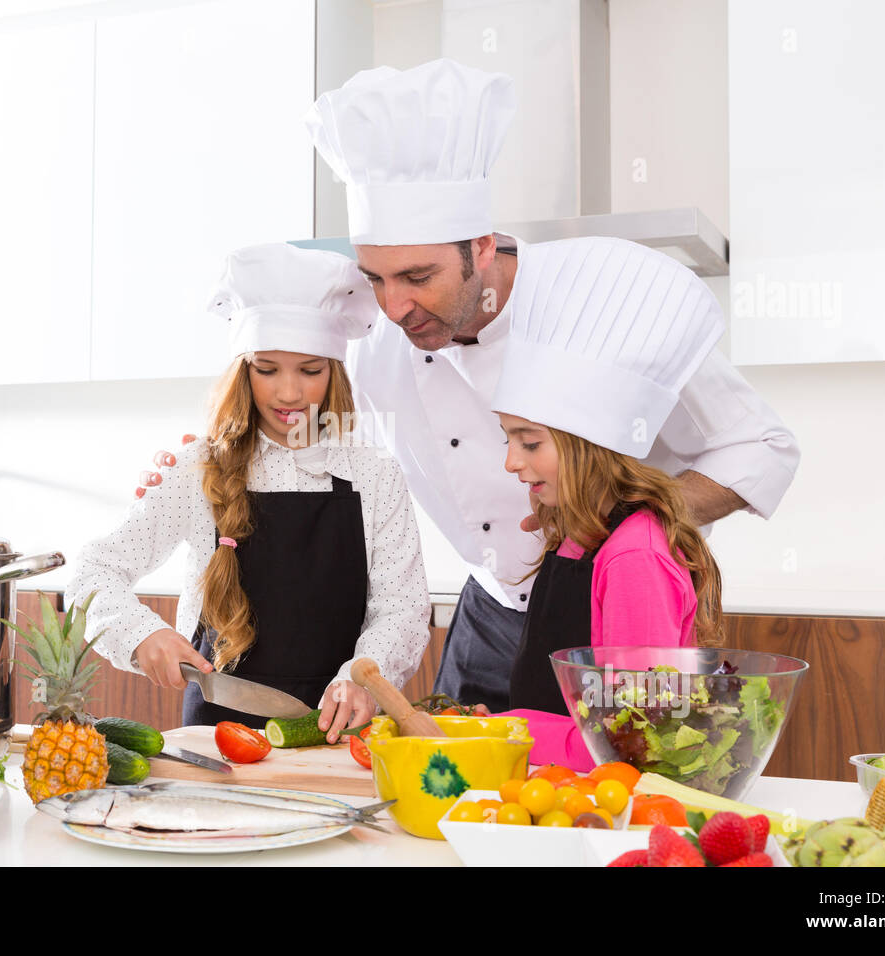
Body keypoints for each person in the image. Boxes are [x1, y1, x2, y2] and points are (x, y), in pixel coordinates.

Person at [141, 59, 799, 714]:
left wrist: (631, 519)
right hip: (485, 612)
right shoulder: (372, 341)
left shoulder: (603, 308)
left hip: (611, 607)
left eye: (419, 277)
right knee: (455, 799)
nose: (394, 308)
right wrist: (207, 464)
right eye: (376, 278)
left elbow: (763, 448)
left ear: (482, 248)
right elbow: (310, 441)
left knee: (604, 791)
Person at [66, 243, 431, 741]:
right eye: (267, 369)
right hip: (216, 737)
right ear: (243, 371)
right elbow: (93, 571)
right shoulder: (197, 467)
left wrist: (362, 678)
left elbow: (403, 609)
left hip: (341, 732)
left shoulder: (373, 474)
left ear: (335, 372)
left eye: (310, 370)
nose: (288, 393)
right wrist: (140, 633)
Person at [491, 237, 726, 752]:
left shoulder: (633, 557)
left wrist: (506, 736)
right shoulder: (577, 539)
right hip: (551, 791)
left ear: (588, 446)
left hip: (602, 803)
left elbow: (638, 733)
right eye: (507, 439)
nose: (511, 461)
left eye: (529, 442)